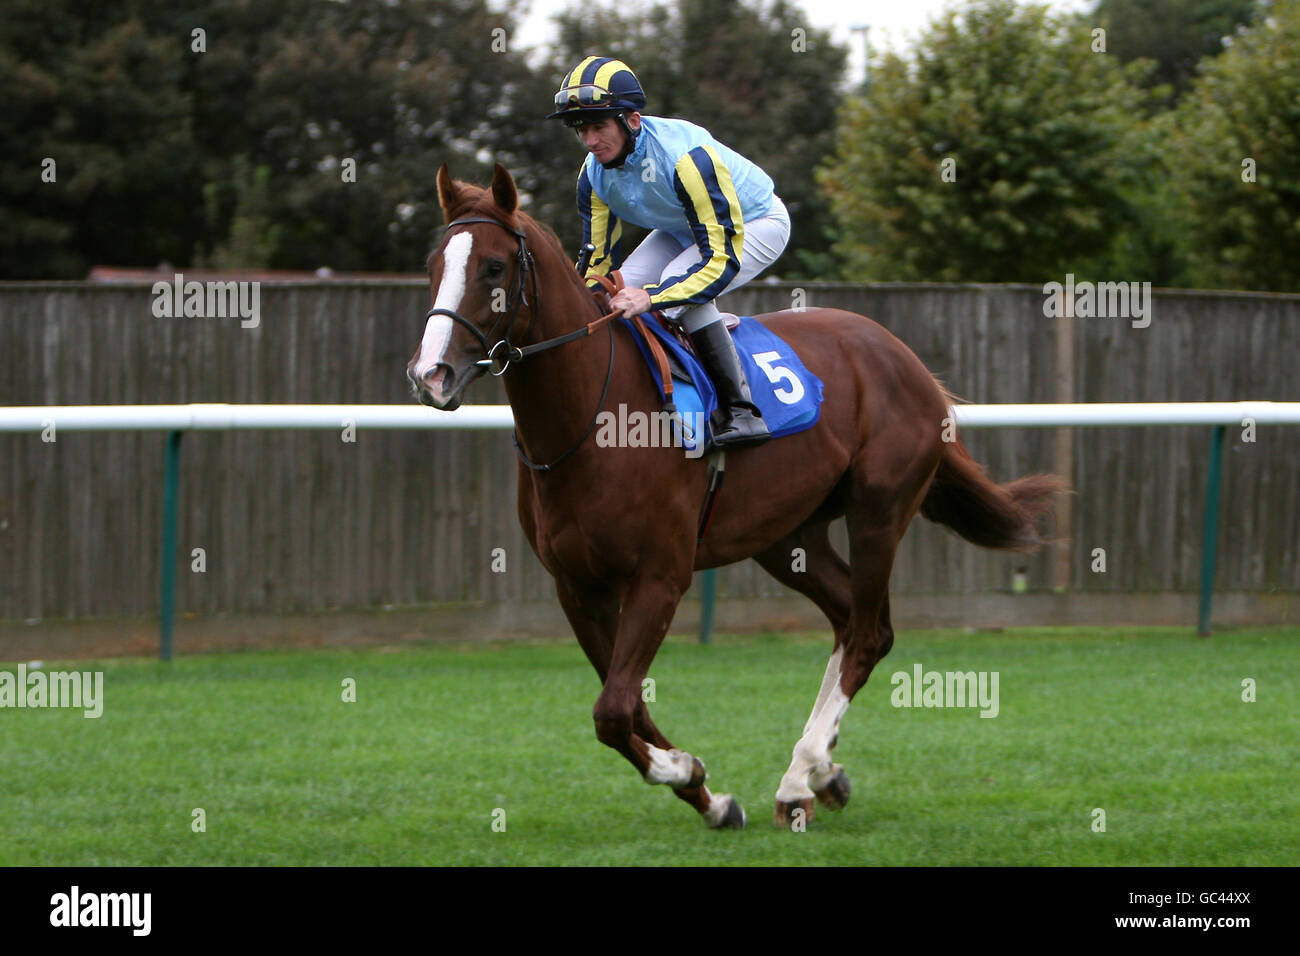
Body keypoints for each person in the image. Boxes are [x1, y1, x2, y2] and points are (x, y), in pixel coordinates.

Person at [547, 56, 792, 449]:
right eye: (580, 130)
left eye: (598, 127)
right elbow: (599, 263)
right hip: (680, 227)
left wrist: (653, 296)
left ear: (632, 120)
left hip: (755, 223)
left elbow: (717, 261)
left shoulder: (687, 159)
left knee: (673, 297)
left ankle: (741, 411)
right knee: (610, 296)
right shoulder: (591, 175)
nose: (590, 142)